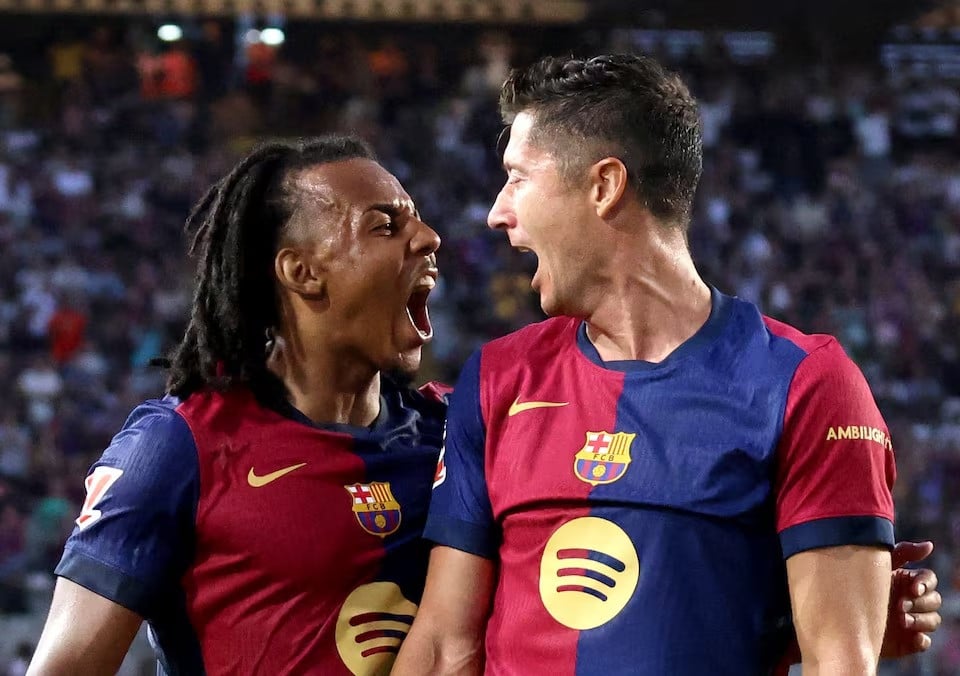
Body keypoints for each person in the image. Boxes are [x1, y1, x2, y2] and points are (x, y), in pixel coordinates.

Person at [394, 54, 942, 675]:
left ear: (604, 186)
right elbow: (444, 647)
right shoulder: (498, 378)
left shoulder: (805, 383)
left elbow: (838, 666)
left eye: (518, 178)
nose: (498, 212)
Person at [27, 136, 446, 675]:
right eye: (384, 226)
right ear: (301, 272)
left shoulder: (450, 436)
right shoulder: (179, 446)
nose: (429, 238)